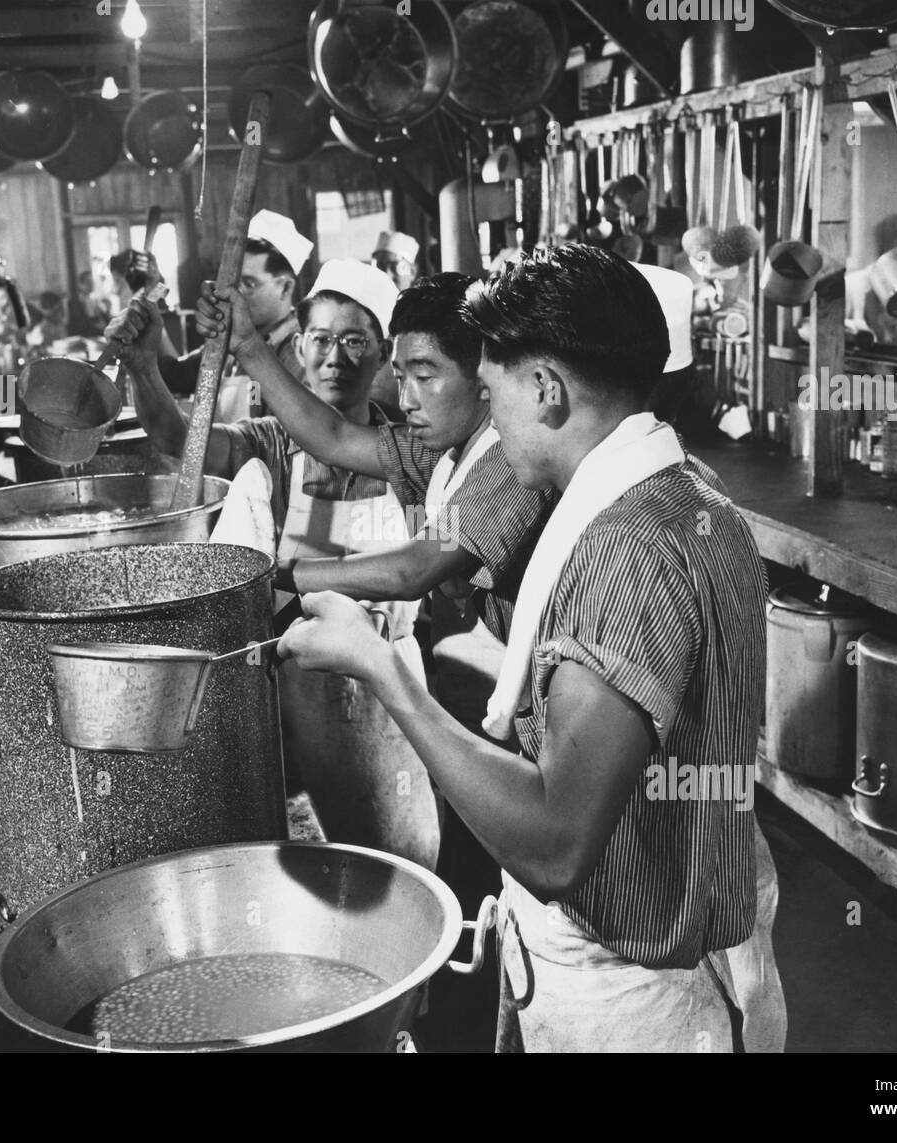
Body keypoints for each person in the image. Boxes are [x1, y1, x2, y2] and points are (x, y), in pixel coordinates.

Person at [277, 244, 770, 1052]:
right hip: (686, 944)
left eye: (492, 386)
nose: (488, 413)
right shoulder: (689, 495)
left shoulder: (626, 550)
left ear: (545, 389)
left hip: (633, 1000)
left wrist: (380, 668)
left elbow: (554, 842)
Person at [114, 259, 440, 871]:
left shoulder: (410, 452)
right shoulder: (269, 447)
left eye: (354, 340)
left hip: (390, 688)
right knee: (318, 871)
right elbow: (181, 444)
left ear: (381, 356)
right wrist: (143, 368)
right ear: (300, 345)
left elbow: (425, 571)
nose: (335, 357)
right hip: (299, 694)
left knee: (407, 861)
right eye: (321, 339)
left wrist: (292, 575)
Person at [154, 210, 312, 419]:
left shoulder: (300, 354)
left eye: (249, 284)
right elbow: (175, 375)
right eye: (232, 284)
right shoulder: (227, 344)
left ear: (285, 288)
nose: (235, 295)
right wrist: (154, 319)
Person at [66, 269, 110, 338]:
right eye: (88, 282)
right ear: (80, 284)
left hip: (97, 332)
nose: (91, 285)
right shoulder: (75, 302)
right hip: (85, 335)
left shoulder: (94, 299)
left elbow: (101, 317)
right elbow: (81, 325)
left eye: (92, 282)